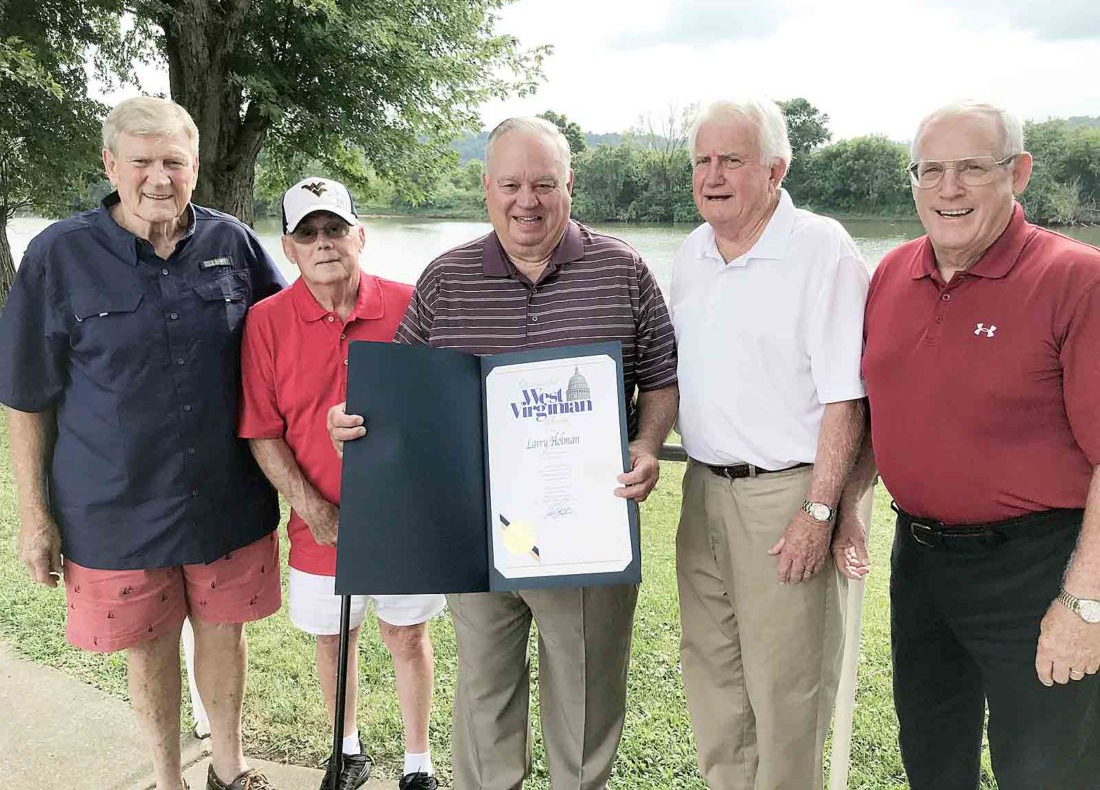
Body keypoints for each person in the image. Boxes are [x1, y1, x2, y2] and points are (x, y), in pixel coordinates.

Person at [329, 117, 679, 789]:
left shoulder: (623, 269)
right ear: (487, 189)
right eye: (512, 184)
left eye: (544, 183)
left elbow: (660, 377)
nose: (528, 200)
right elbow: (402, 390)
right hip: (476, 532)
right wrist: (350, 417)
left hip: (587, 535)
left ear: (569, 185)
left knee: (584, 704)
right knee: (486, 696)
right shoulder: (447, 277)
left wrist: (643, 443)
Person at [0, 96, 285, 790]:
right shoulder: (57, 256)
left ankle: (229, 768)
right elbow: (26, 396)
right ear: (110, 164)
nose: (159, 177)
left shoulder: (234, 244)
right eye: (143, 162)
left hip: (225, 494)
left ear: (194, 169)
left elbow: (288, 342)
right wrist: (34, 517)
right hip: (114, 504)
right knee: (149, 647)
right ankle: (167, 780)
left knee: (225, 634)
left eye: (174, 163)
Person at [860, 101, 1100, 789]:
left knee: (1047, 769)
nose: (948, 188)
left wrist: (1086, 602)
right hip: (922, 567)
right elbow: (883, 411)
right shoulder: (890, 275)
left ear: (1017, 172)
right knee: (932, 756)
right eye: (930, 170)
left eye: (972, 168)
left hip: (1037, 568)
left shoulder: (1076, 279)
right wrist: (845, 500)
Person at [668, 98, 870, 790]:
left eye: (732, 159)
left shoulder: (822, 248)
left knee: (788, 693)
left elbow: (848, 395)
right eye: (702, 159)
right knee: (714, 680)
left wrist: (821, 509)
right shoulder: (692, 253)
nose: (712, 174)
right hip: (701, 490)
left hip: (786, 494)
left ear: (776, 169)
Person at [239, 177, 445, 790]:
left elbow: (442, 407)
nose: (323, 243)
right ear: (288, 248)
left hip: (404, 519)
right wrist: (314, 508)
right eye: (308, 234)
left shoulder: (412, 304)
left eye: (335, 229)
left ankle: (417, 764)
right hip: (318, 521)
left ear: (361, 235)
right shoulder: (265, 323)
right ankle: (347, 751)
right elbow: (262, 430)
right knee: (335, 639)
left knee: (406, 635)